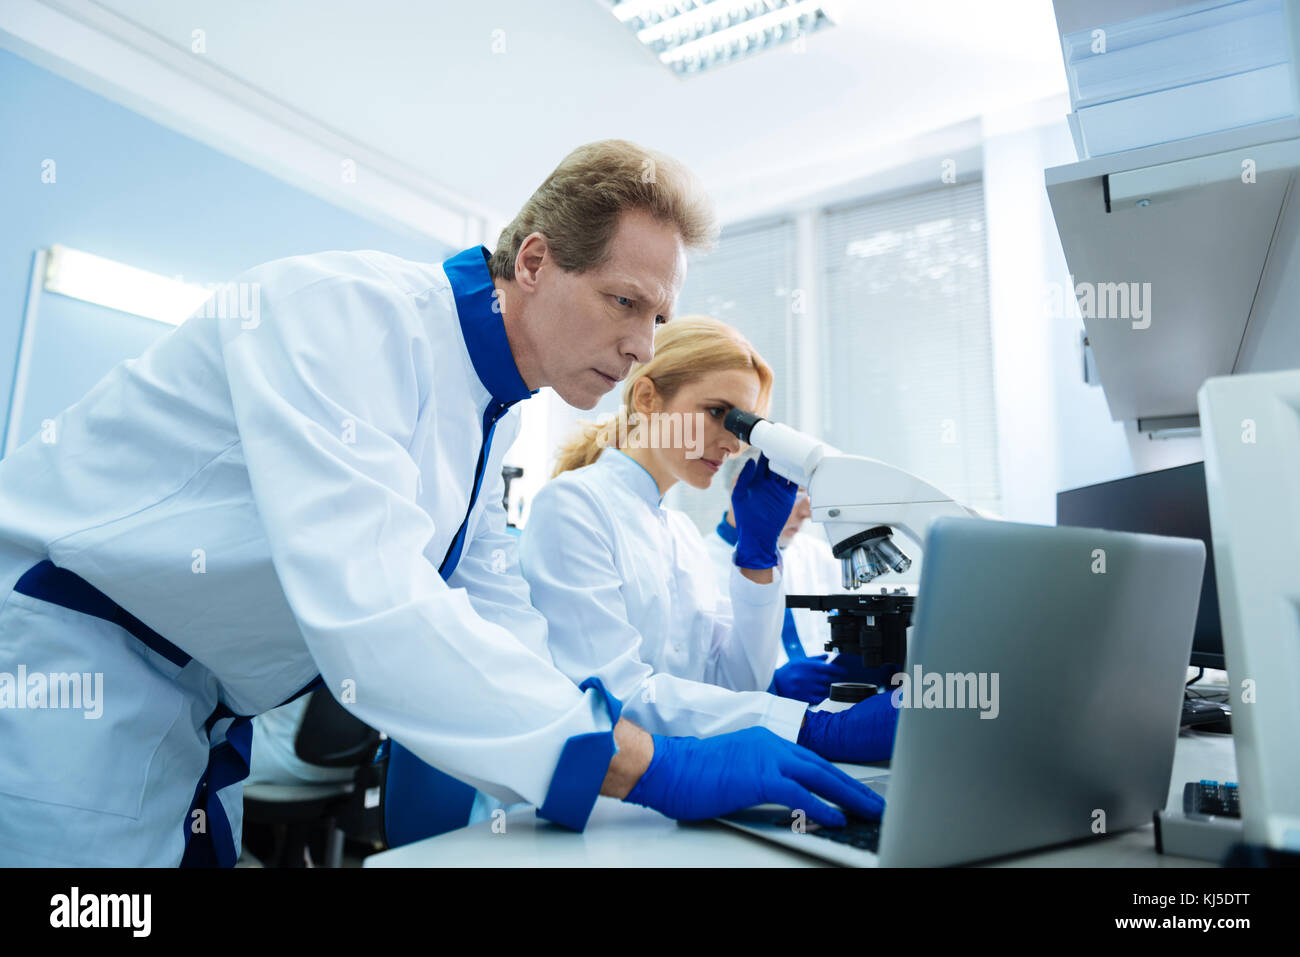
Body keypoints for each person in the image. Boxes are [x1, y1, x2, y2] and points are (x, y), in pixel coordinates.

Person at [0, 140, 881, 866]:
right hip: (65, 667)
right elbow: (378, 614)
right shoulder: (348, 316)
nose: (641, 347)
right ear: (533, 261)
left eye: (658, 318)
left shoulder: (488, 418)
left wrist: (768, 730)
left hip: (191, 711)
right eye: (625, 302)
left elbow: (511, 635)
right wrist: (655, 769)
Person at [519, 315, 901, 764]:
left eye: (743, 427)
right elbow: (616, 696)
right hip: (596, 790)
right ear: (647, 398)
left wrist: (758, 559)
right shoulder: (573, 505)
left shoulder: (680, 534)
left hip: (682, 781)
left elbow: (739, 683)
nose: (733, 445)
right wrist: (809, 729)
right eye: (718, 412)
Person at [707, 452, 900, 702]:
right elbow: (695, 676)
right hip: (752, 714)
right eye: (795, 494)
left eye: (809, 495)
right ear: (742, 487)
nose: (807, 511)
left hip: (827, 708)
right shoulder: (700, 562)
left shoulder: (821, 555)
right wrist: (772, 687)